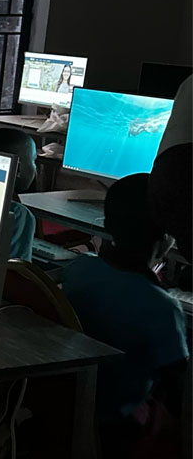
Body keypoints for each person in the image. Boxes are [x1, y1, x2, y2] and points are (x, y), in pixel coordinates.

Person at [62, 173, 188, 457]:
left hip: (77, 401)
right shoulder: (163, 307)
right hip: (121, 421)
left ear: (105, 225)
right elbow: (179, 390)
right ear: (168, 235)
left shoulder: (78, 270)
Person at [0, 128, 38, 261]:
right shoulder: (17, 213)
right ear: (17, 168)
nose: (35, 169)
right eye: (33, 160)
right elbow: (16, 273)